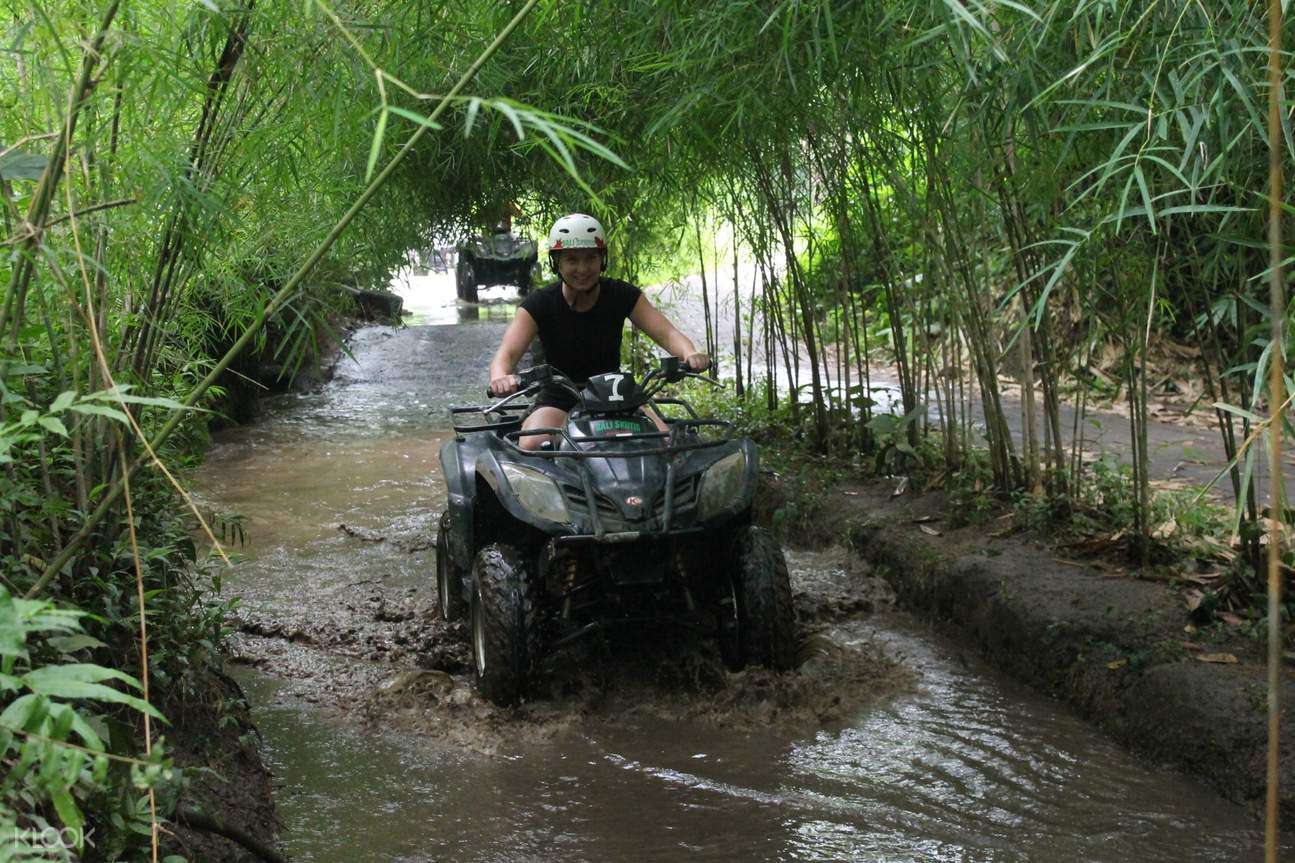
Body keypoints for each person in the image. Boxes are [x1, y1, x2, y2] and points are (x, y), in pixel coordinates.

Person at [488, 213, 709, 449]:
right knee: (532, 444)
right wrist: (500, 378)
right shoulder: (539, 304)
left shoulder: (622, 295)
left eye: (590, 258)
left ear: (601, 260)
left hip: (617, 397)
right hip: (559, 399)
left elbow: (667, 334)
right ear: (557, 263)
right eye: (572, 259)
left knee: (665, 443)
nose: (582, 268)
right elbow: (507, 354)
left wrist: (690, 353)